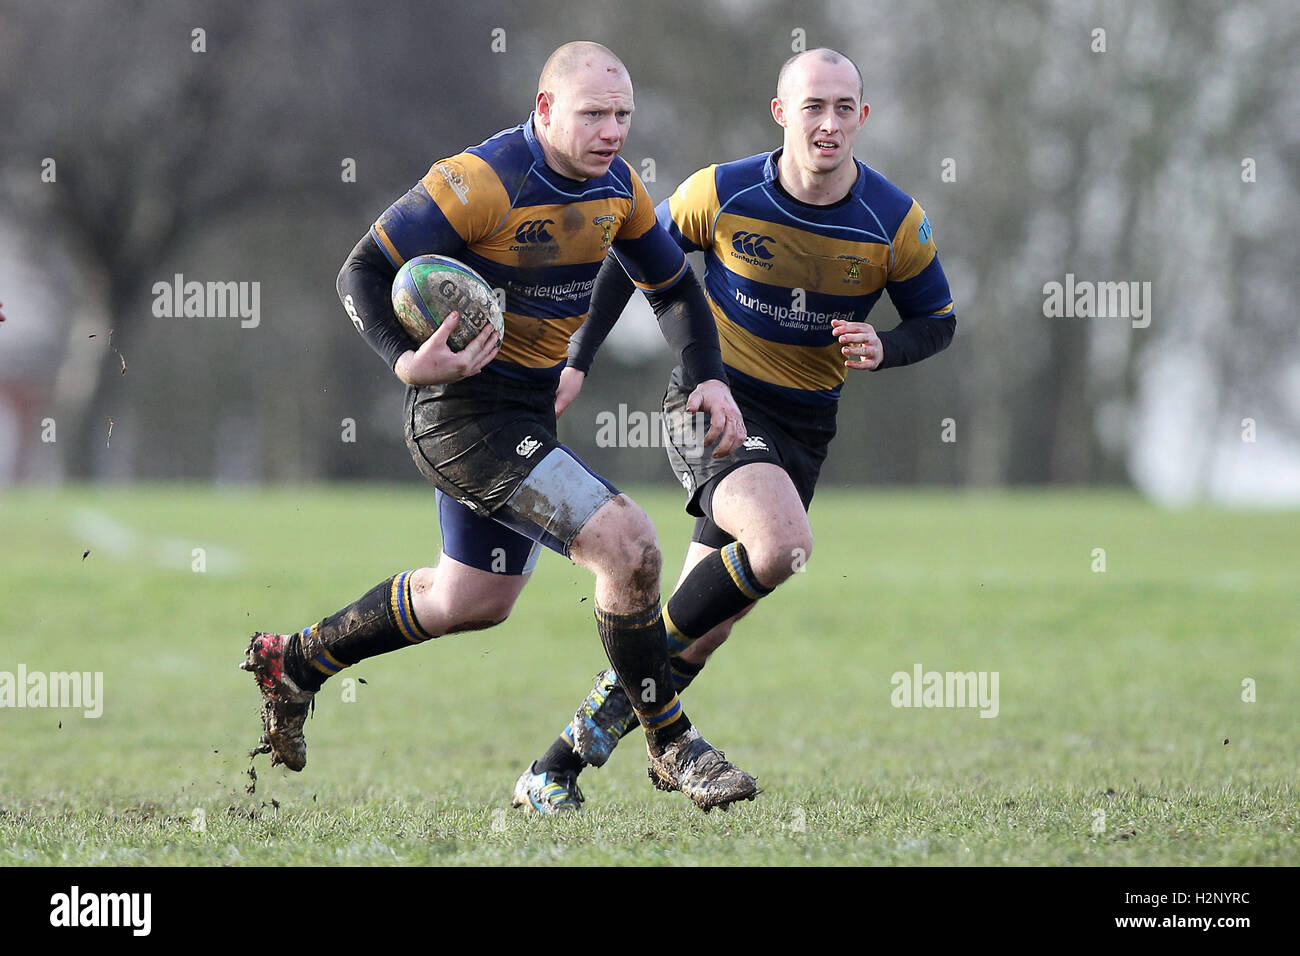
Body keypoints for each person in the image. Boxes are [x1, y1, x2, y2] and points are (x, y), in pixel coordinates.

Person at [241, 41, 762, 813]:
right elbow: (361, 272)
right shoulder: (480, 180)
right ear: (546, 108)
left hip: (525, 415)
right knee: (631, 548)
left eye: (623, 115)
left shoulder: (618, 187)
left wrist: (710, 374)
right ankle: (671, 741)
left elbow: (675, 288)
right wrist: (403, 361)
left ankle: (298, 662)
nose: (613, 130)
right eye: (594, 114)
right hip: (460, 416)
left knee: (472, 599)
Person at [514, 48, 957, 812]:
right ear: (781, 113)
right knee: (781, 546)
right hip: (712, 405)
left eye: (844, 107)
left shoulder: (894, 221)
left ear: (863, 118)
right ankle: (662, 746)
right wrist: (578, 360)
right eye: (812, 106)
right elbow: (630, 264)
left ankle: (554, 769)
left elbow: (938, 320)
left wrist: (889, 346)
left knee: (702, 629)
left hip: (804, 431)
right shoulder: (719, 192)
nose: (828, 122)